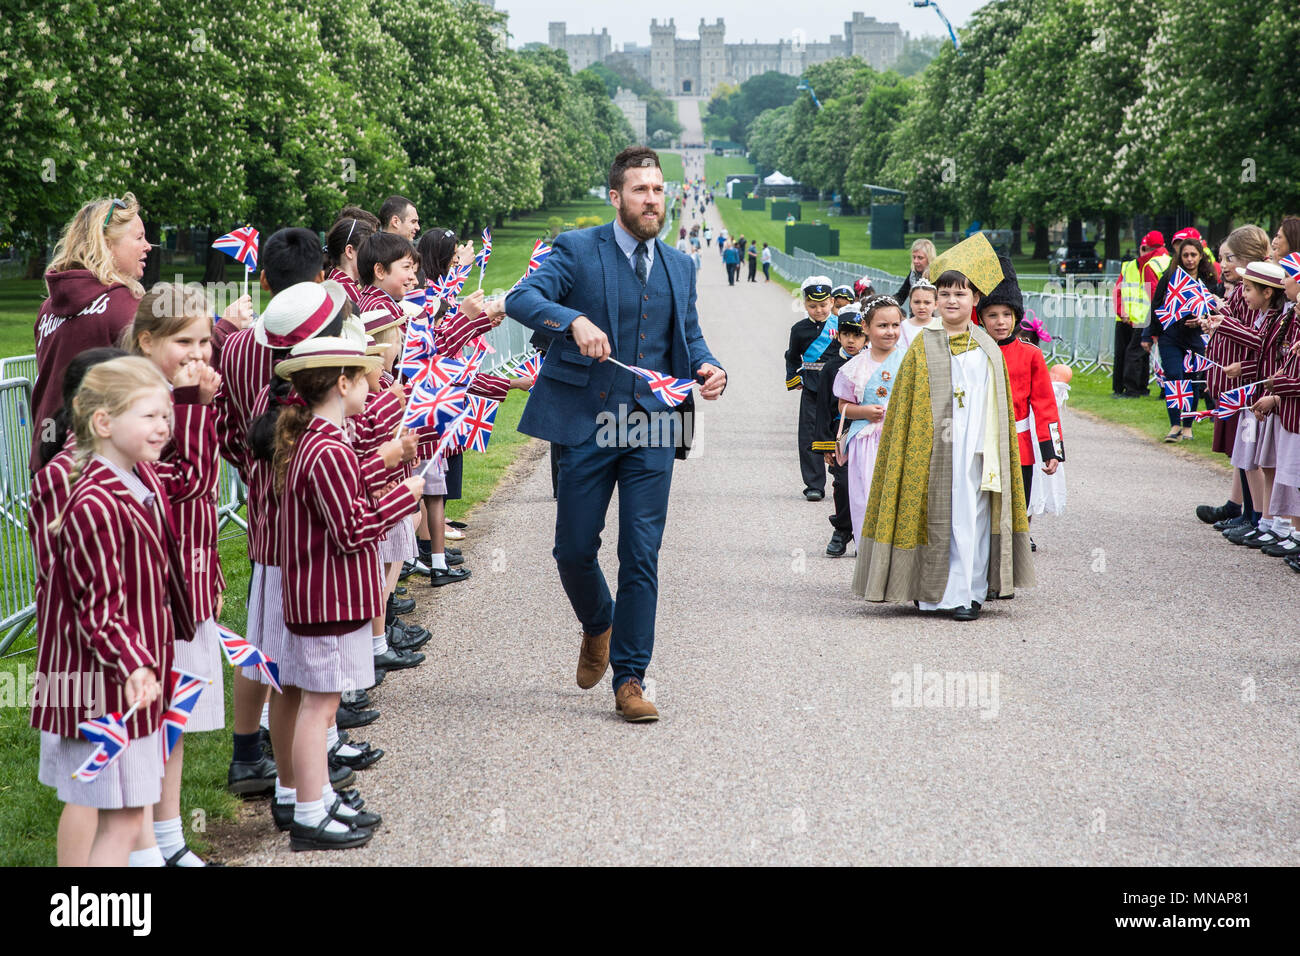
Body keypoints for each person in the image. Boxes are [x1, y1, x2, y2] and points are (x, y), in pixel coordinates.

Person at [504, 145, 726, 723]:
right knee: (574, 547)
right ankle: (598, 621)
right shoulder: (577, 249)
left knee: (641, 552)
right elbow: (521, 298)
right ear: (616, 197)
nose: (652, 200)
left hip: (652, 421)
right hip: (586, 421)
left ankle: (631, 679)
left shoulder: (681, 264)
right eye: (640, 190)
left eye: (658, 190)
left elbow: (690, 337)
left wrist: (708, 366)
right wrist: (572, 320)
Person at [33, 356, 196, 866]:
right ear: (103, 423)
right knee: (119, 819)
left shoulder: (133, 479)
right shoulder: (95, 501)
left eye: (165, 414)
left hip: (130, 678)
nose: (163, 426)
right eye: (149, 415)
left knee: (126, 817)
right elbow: (97, 608)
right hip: (103, 684)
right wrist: (133, 665)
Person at [272, 329, 421, 850]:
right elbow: (352, 529)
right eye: (363, 376)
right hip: (328, 596)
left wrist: (388, 469)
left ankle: (314, 798)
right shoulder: (326, 447)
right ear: (342, 383)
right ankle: (311, 812)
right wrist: (403, 498)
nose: (370, 385)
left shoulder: (319, 442)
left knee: (321, 703)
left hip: (321, 594)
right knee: (322, 707)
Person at [852, 240, 1035, 621]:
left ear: (976, 299)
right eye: (944, 293)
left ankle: (968, 593)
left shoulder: (986, 348)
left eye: (960, 293)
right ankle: (929, 592)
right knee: (933, 518)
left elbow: (996, 408)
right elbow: (906, 407)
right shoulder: (922, 346)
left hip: (974, 452)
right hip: (932, 450)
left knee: (971, 519)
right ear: (935, 298)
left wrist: (987, 451)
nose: (951, 300)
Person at [212, 227, 325, 798]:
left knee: (264, 635)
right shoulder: (321, 339)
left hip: (262, 503)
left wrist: (252, 468)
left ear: (263, 279)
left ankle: (252, 749)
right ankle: (291, 772)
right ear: (322, 277)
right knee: (295, 639)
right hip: (312, 505)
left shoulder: (233, 347)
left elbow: (229, 430)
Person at [125, 284, 226, 866]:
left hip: (187, 579)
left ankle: (169, 839)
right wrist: (192, 406)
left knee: (176, 718)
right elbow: (176, 483)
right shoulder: (143, 399)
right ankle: (139, 851)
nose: (198, 353)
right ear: (147, 342)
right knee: (147, 723)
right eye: (183, 341)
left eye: (205, 341)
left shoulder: (182, 395)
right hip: (150, 587)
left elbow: (203, 491)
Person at [26, 347, 126, 865]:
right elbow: (75, 578)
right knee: (87, 789)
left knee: (117, 798)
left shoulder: (106, 466)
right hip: (81, 657)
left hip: (108, 649)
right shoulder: (66, 475)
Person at [32, 195, 143, 469]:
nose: (148, 247)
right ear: (107, 245)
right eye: (139, 238)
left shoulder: (48, 308)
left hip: (48, 456)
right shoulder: (125, 304)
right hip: (100, 462)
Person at [976, 264, 1064, 549]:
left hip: (1020, 445)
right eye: (992, 315)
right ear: (981, 318)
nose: (1000, 322)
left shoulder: (1031, 355)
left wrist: (1051, 450)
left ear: (1016, 317)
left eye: (1006, 315)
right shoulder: (972, 352)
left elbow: (1045, 406)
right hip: (979, 443)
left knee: (1017, 510)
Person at [1196, 225, 1272, 530]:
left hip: (1250, 388)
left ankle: (1257, 518)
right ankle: (1245, 512)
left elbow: (1258, 341)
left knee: (1251, 452)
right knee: (1243, 451)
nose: (1223, 265)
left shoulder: (1253, 292)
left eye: (1229, 258)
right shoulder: (1241, 291)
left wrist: (1223, 323)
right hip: (1236, 385)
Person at [1209, 261, 1288, 548]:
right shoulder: (1266, 316)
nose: (1243, 295)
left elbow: (1262, 346)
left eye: (1249, 289)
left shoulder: (1276, 318)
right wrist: (1243, 367)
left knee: (1264, 460)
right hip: (1255, 395)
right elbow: (1261, 352)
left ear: (1268, 293)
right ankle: (1257, 518)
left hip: (1266, 399)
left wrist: (1225, 324)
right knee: (1250, 457)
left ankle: (1264, 519)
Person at [833, 297, 904, 559]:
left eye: (895, 325)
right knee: (867, 498)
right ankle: (869, 559)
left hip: (899, 440)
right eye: (882, 325)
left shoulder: (909, 361)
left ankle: (897, 561)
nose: (890, 331)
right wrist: (863, 411)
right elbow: (842, 406)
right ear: (866, 327)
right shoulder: (855, 367)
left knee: (896, 499)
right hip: (866, 442)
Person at [1142, 236, 1216, 441]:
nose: (1190, 259)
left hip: (1196, 338)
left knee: (1193, 381)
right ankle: (1174, 425)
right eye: (1185, 255)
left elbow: (1215, 306)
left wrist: (1201, 320)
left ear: (1201, 256)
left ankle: (1188, 426)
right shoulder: (1170, 277)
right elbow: (1156, 305)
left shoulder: (1209, 279)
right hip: (1170, 336)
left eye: (1193, 255)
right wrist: (1147, 334)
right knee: (1174, 378)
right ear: (1179, 257)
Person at [811, 306, 866, 558]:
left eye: (857, 335)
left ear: (866, 336)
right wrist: (824, 446)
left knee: (867, 484)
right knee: (842, 482)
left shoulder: (874, 364)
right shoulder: (831, 368)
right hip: (840, 434)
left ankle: (865, 533)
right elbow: (822, 407)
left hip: (869, 430)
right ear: (838, 336)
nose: (852, 340)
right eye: (846, 334)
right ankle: (843, 529)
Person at [785, 275, 837, 501]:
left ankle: (842, 478)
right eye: (813, 306)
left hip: (837, 387)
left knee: (838, 432)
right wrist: (795, 378)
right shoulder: (799, 330)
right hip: (812, 386)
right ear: (805, 304)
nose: (819, 310)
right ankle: (814, 484)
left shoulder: (840, 325)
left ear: (832, 302)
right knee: (808, 435)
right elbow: (792, 356)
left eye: (823, 305)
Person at [1117, 230, 1171, 397]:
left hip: (1147, 316)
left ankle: (1133, 390)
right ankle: (1162, 390)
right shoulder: (1169, 261)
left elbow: (1153, 294)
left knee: (1135, 352)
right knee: (1164, 353)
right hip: (1168, 314)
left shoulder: (1150, 265)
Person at [324, 208, 380, 306]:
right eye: (368, 249)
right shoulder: (345, 291)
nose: (373, 256)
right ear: (349, 251)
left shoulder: (341, 284)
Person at [893, 238, 936, 305]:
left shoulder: (936, 275)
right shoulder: (913, 273)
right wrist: (886, 301)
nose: (915, 261)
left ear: (929, 258)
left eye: (920, 258)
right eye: (914, 257)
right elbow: (901, 296)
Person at [898, 279, 937, 351]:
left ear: (935, 304)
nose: (921, 307)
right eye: (917, 302)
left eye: (927, 303)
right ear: (910, 303)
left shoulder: (941, 325)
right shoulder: (903, 326)